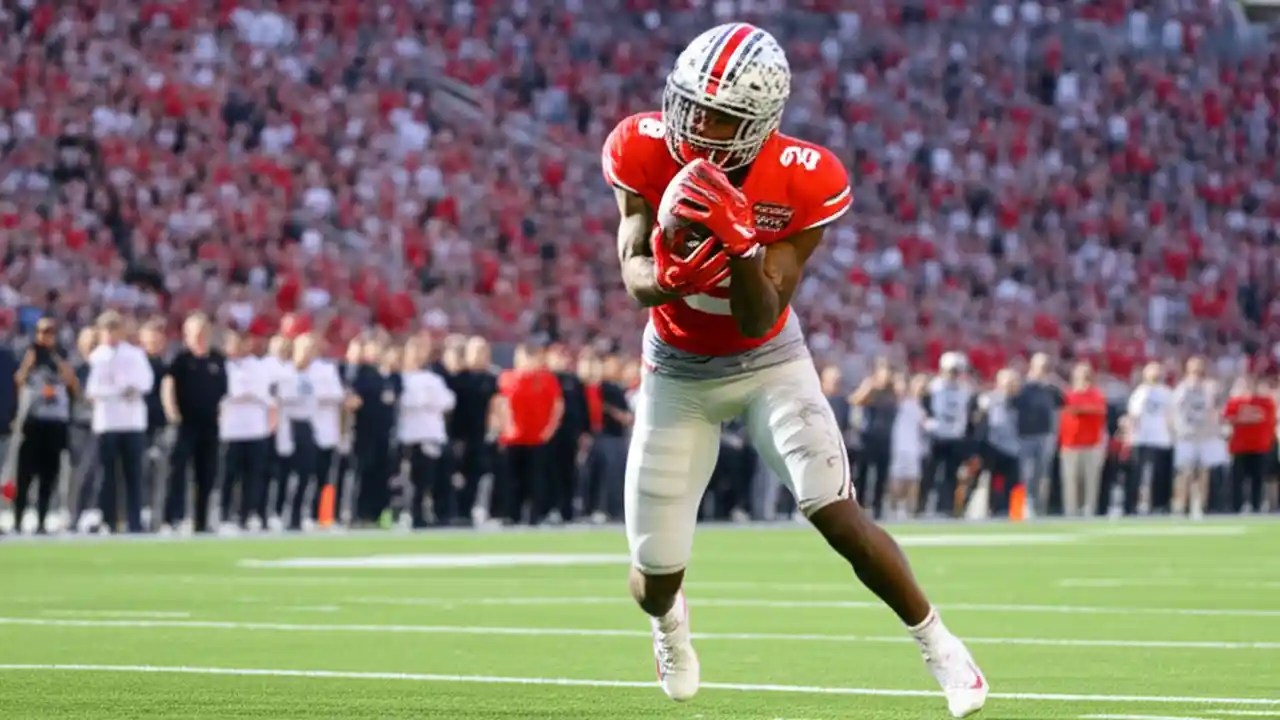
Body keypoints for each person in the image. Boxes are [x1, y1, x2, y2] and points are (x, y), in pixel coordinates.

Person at [600, 23, 985, 716]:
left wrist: (742, 245)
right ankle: (669, 625)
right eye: (690, 106)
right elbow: (633, 268)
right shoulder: (641, 145)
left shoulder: (805, 177)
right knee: (654, 577)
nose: (696, 127)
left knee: (835, 512)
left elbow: (759, 316)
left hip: (768, 361)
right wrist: (669, 278)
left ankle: (939, 643)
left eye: (719, 117)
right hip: (676, 370)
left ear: (759, 123)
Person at [85, 311, 154, 534]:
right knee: (107, 474)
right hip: (107, 422)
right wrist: (115, 392)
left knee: (133, 474)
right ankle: (109, 519)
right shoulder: (97, 357)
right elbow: (92, 390)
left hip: (132, 422)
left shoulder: (134, 354)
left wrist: (131, 389)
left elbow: (146, 382)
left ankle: (134, 520)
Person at [12, 317, 80, 534]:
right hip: (33, 420)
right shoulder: (28, 352)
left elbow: (73, 384)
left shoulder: (62, 354)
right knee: (24, 475)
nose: (45, 336)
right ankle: (18, 520)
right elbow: (19, 380)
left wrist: (57, 359)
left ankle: (42, 520)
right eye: (42, 332)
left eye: (50, 332)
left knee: (48, 476)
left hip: (55, 422)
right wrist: (29, 363)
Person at [161, 313, 227, 533]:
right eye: (196, 333)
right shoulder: (180, 359)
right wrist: (173, 414)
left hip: (209, 425)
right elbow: (168, 385)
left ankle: (202, 520)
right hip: (186, 423)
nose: (200, 337)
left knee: (206, 473)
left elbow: (223, 390)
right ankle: (171, 518)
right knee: (176, 472)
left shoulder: (217, 359)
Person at [276, 333, 344, 531]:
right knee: (286, 474)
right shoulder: (286, 372)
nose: (308, 354)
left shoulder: (321, 372)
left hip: (309, 425)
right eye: (304, 349)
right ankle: (280, 513)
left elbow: (334, 395)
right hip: (289, 424)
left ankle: (307, 516)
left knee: (308, 474)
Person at [494, 344, 563, 525]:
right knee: (511, 479)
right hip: (513, 438)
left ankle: (534, 515)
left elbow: (557, 405)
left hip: (537, 438)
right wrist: (503, 427)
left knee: (536, 480)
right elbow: (500, 403)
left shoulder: (547, 379)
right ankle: (512, 514)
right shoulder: (507, 377)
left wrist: (549, 430)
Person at [219, 329, 274, 531]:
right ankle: (224, 515)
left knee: (252, 476)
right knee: (228, 476)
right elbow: (225, 393)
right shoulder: (223, 366)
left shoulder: (259, 366)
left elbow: (262, 394)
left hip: (255, 429)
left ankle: (247, 514)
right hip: (230, 430)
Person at [398, 337, 456, 527]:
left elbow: (448, 401)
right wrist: (428, 401)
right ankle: (413, 514)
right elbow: (409, 403)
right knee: (414, 480)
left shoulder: (433, 378)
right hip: (411, 436)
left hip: (433, 434)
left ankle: (434, 514)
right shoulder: (401, 378)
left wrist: (428, 401)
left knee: (432, 479)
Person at [349, 336, 401, 526]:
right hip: (365, 432)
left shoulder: (392, 377)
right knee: (364, 472)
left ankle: (378, 512)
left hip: (385, 433)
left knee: (382, 473)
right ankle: (359, 512)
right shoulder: (362, 374)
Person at [922, 353, 976, 517]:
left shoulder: (966, 390)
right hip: (935, 436)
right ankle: (922, 507)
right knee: (929, 473)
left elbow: (969, 415)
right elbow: (924, 409)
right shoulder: (933, 388)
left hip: (955, 437)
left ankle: (945, 508)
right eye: (952, 370)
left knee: (950, 476)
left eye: (957, 371)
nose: (954, 374)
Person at [1171, 357, 1225, 519]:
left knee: (1204, 472)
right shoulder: (1181, 388)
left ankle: (1201, 505)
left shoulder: (1209, 388)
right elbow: (1175, 411)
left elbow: (1215, 410)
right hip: (1187, 435)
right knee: (1184, 472)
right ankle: (1181, 505)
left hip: (1205, 435)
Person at [1012, 353, 1062, 516]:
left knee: (1041, 474)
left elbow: (1062, 401)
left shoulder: (1050, 389)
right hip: (1025, 435)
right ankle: (1022, 506)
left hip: (1045, 435)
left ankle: (1037, 506)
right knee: (1025, 473)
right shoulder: (1023, 387)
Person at [1124, 362, 1174, 516]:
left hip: (1161, 438)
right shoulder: (1140, 392)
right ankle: (1131, 506)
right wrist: (1129, 435)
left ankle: (1159, 505)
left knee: (1160, 475)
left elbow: (1171, 416)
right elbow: (1133, 415)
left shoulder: (1167, 393)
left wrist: (1172, 434)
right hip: (1141, 438)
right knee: (1136, 474)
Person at [1058, 362, 1108, 517]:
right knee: (1070, 481)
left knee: (1091, 481)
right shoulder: (1067, 394)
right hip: (1070, 444)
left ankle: (1089, 511)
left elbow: (1098, 410)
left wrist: (1077, 409)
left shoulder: (1096, 394)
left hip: (1091, 444)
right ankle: (1071, 512)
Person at [1222, 374, 1277, 513]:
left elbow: (1270, 422)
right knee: (1237, 479)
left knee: (1257, 479)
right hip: (1239, 447)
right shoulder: (1234, 402)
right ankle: (1236, 506)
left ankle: (1256, 506)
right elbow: (1226, 419)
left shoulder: (1267, 402)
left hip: (1258, 446)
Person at [851, 358, 897, 517]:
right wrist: (868, 386)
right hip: (868, 436)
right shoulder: (870, 389)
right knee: (863, 473)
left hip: (885, 437)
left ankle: (878, 507)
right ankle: (860, 505)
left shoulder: (891, 392)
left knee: (881, 474)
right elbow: (855, 400)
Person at [888, 374, 928, 520]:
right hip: (899, 447)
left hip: (914, 448)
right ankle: (893, 509)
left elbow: (924, 424)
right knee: (897, 479)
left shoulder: (920, 406)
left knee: (913, 480)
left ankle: (909, 511)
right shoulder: (902, 402)